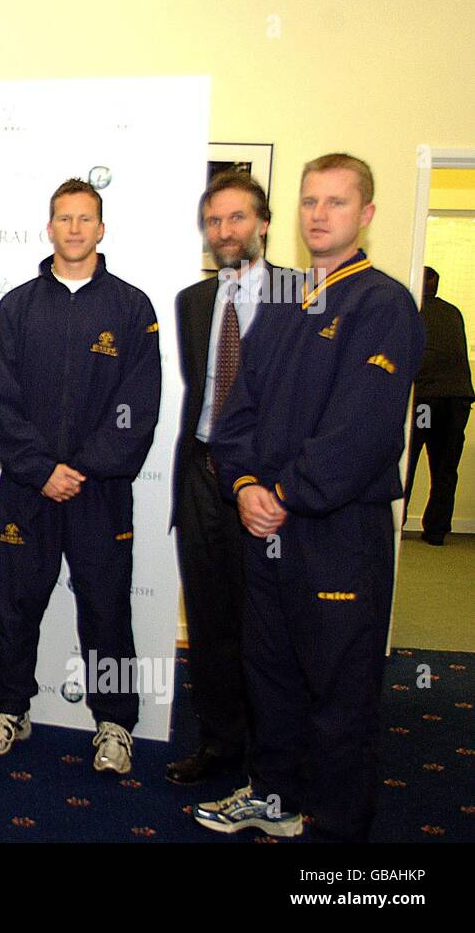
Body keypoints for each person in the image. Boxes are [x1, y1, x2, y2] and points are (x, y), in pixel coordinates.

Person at [199, 154, 424, 840]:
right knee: (269, 671)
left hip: (336, 533)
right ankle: (274, 797)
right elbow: (235, 416)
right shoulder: (288, 302)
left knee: (339, 688)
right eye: (309, 201)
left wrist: (284, 491)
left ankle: (335, 828)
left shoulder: (383, 304)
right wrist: (242, 486)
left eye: (335, 202)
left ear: (367, 214)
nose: (319, 214)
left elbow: (360, 431)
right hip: (263, 525)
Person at [0, 178, 161, 771]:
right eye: (64, 219)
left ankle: (114, 723)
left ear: (101, 229)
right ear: (49, 227)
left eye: (85, 219)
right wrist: (41, 469)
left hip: (99, 493)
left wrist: (80, 468)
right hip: (28, 490)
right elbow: (1, 404)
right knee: (16, 604)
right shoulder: (18, 306)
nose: (74, 229)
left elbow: (138, 407)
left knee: (107, 608)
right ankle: (10, 709)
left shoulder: (132, 309)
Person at [166, 171, 281, 785]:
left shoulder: (301, 295)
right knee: (209, 621)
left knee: (266, 625)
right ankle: (218, 744)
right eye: (214, 221)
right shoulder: (194, 301)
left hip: (268, 485)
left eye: (237, 219)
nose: (224, 232)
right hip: (203, 475)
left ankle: (272, 755)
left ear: (263, 223)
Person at [404, 266, 473, 545]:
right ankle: (436, 531)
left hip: (426, 401)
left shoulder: (413, 311)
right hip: (457, 401)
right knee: (445, 468)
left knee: (408, 462)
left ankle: (397, 522)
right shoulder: (453, 312)